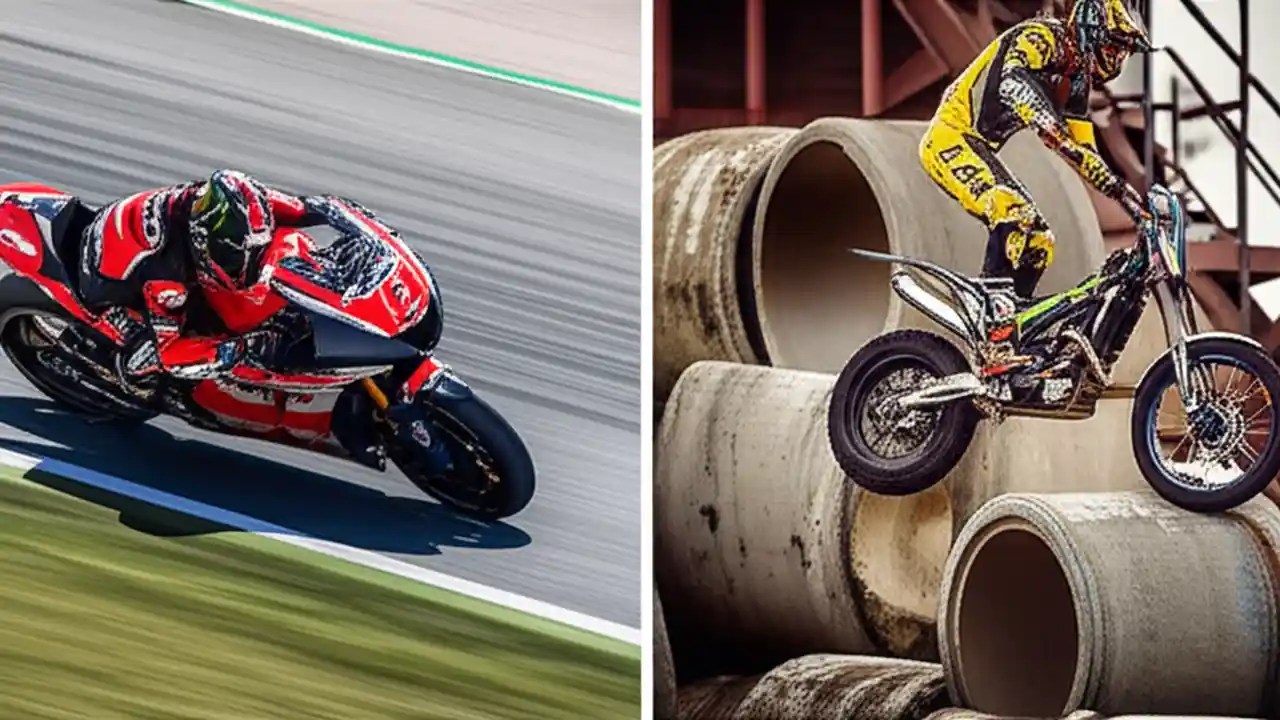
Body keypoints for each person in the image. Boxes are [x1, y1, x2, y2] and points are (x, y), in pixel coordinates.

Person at [77, 169, 392, 468]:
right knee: (146, 363)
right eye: (235, 258)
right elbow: (171, 353)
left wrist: (336, 214)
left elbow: (301, 208)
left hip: (146, 232)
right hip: (113, 277)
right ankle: (131, 370)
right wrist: (238, 349)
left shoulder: (239, 208)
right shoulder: (167, 277)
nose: (245, 263)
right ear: (204, 245)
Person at [918, 0, 1154, 318]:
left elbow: (1086, 154)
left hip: (979, 146)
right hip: (950, 139)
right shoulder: (1039, 38)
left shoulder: (1077, 80)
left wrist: (1130, 201)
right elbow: (1013, 86)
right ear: (1092, 29)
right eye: (1115, 46)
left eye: (1124, 51)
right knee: (1010, 212)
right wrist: (1056, 133)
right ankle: (992, 320)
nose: (1117, 59)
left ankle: (1015, 320)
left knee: (1041, 241)